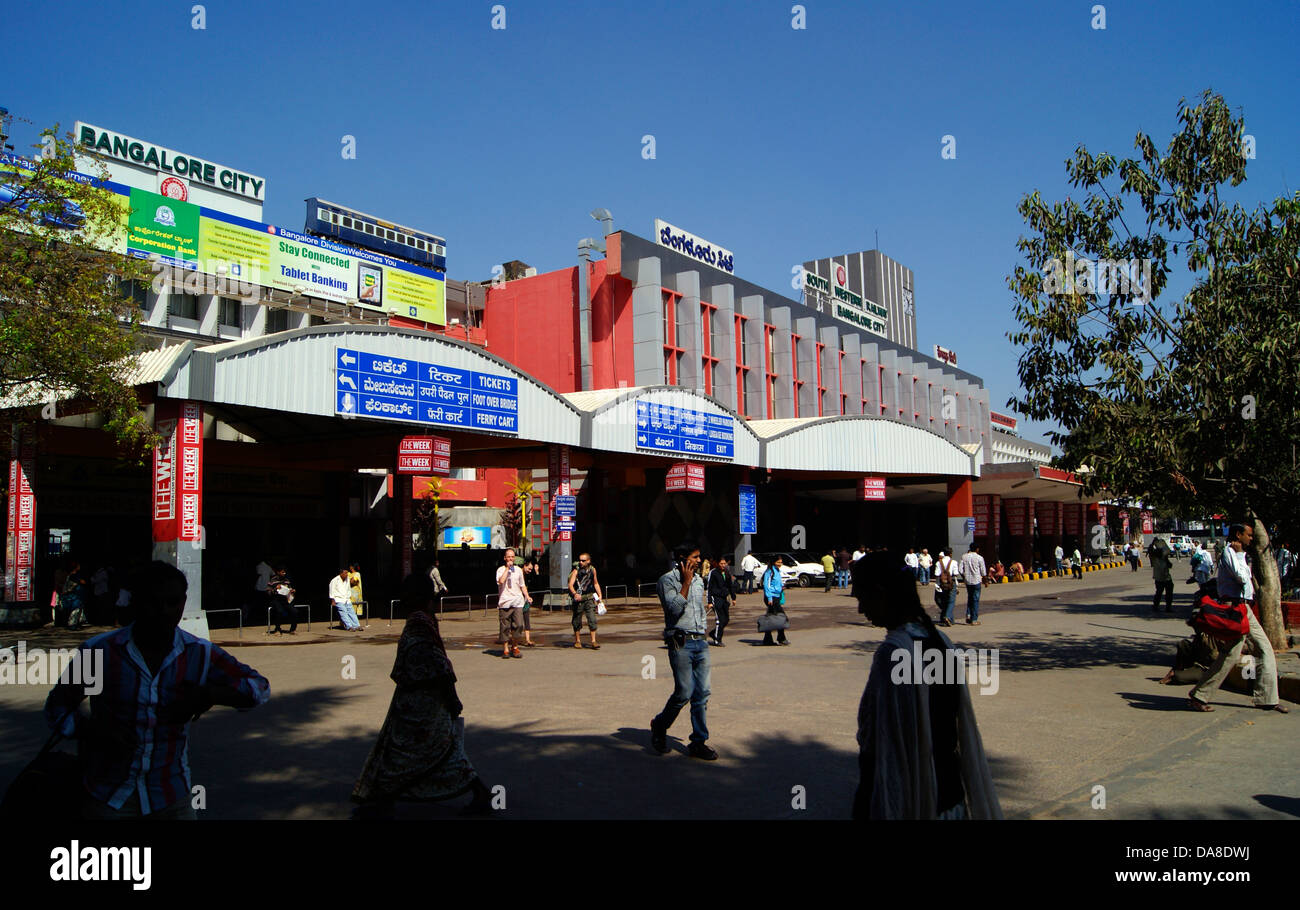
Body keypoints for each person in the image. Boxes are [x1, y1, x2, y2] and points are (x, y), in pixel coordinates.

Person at [44, 561, 269, 818]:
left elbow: (259, 688)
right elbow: (57, 707)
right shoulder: (100, 652)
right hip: (106, 795)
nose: (163, 611)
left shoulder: (199, 653)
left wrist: (209, 695)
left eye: (172, 602)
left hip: (172, 795)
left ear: (183, 603)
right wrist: (94, 731)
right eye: (153, 602)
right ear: (136, 602)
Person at [849, 550, 1002, 819]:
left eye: (862, 598)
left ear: (881, 593)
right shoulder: (939, 640)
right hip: (949, 796)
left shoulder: (894, 653)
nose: (861, 609)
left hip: (917, 800)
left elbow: (883, 745)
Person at [352, 573, 492, 818]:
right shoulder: (423, 619)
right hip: (418, 701)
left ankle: (385, 800)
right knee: (430, 751)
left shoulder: (418, 622)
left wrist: (451, 697)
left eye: (406, 593)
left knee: (414, 752)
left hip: (423, 703)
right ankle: (385, 799)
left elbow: (438, 664)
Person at [1188, 523, 1288, 714]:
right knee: (1231, 654)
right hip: (1234, 608)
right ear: (1238, 535)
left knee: (1265, 649)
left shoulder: (1240, 554)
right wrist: (1240, 555)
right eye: (1248, 535)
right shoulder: (1229, 552)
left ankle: (1267, 699)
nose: (1251, 538)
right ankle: (1200, 695)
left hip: (1244, 608)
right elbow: (1242, 577)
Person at [650, 544, 715, 760]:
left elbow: (699, 609)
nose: (699, 561)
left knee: (702, 693)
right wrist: (685, 583)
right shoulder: (667, 581)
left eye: (699, 557)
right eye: (695, 557)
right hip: (681, 643)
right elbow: (674, 609)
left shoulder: (699, 580)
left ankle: (698, 741)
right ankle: (660, 724)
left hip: (700, 641)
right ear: (682, 558)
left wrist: (703, 629)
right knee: (684, 692)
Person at [495, 548, 531, 659]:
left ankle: (514, 646)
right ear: (505, 558)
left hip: (517, 602)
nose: (510, 559)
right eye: (508, 557)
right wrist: (507, 569)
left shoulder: (519, 570)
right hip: (505, 602)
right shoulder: (500, 570)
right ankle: (505, 649)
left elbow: (522, 585)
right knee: (505, 627)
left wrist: (527, 596)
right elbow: (501, 581)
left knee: (519, 625)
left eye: (512, 557)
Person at [567, 552, 603, 650]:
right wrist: (575, 594)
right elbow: (570, 585)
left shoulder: (592, 570)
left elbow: (595, 583)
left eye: (583, 560)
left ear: (588, 561)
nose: (581, 562)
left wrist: (600, 595)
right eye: (580, 560)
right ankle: (578, 641)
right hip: (579, 599)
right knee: (577, 620)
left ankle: (593, 641)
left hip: (589, 598)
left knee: (592, 619)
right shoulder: (576, 570)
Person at [760, 555, 789, 645]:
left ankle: (768, 639)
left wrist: (781, 587)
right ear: (773, 562)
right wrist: (769, 598)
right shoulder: (770, 571)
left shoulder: (777, 571)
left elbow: (776, 583)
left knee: (772, 618)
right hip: (771, 598)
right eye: (778, 562)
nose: (780, 564)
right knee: (781, 617)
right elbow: (766, 585)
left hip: (776, 597)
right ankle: (781, 638)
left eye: (781, 562)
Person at [708, 555, 737, 645]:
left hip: (724, 598)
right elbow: (709, 588)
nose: (723, 565)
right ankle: (717, 639)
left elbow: (730, 586)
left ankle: (713, 633)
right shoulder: (713, 573)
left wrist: (733, 598)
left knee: (726, 619)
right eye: (721, 563)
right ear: (717, 564)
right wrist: (709, 602)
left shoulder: (727, 572)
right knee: (719, 620)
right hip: (716, 598)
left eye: (724, 563)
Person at [960, 545, 987, 625]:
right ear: (977, 549)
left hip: (968, 581)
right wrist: (985, 581)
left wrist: (964, 577)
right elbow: (983, 571)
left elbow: (960, 570)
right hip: (976, 580)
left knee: (970, 597)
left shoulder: (964, 557)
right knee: (975, 599)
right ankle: (974, 619)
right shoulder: (980, 558)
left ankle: (968, 615)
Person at [330, 567, 362, 631]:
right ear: (341, 573)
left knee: (352, 612)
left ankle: (357, 625)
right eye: (345, 573)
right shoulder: (334, 580)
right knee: (343, 613)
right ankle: (349, 626)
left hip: (347, 599)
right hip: (338, 599)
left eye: (347, 573)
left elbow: (348, 588)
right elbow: (332, 591)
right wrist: (333, 600)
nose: (347, 574)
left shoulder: (347, 579)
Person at [267, 564, 296, 635]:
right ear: (278, 572)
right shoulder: (272, 580)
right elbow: (268, 592)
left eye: (285, 572)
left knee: (294, 611)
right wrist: (275, 589)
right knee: (279, 611)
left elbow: (289, 589)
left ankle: (292, 629)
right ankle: (277, 628)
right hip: (276, 599)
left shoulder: (286, 581)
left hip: (285, 600)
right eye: (282, 572)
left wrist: (292, 591)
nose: (284, 573)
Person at [933, 549, 958, 626]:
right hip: (951, 584)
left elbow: (936, 574)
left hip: (941, 584)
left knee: (942, 600)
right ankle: (947, 617)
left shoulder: (938, 563)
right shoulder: (954, 562)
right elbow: (955, 574)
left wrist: (937, 585)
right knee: (951, 601)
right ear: (950, 554)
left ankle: (948, 619)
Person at [1149, 537, 1174, 612]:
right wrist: (1153, 543)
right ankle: (1166, 607)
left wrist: (1153, 543)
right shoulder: (1157, 557)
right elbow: (1150, 550)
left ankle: (1157, 606)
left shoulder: (1155, 557)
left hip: (1161, 578)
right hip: (1164, 578)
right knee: (1166, 593)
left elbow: (1150, 550)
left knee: (1160, 593)